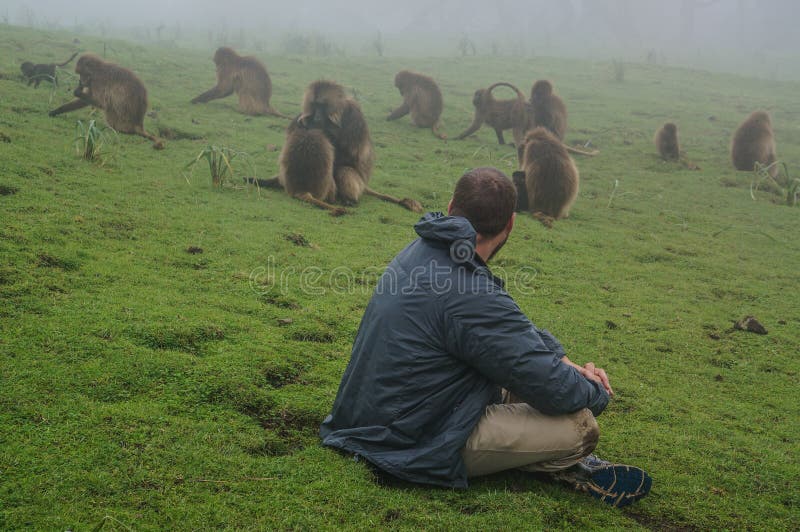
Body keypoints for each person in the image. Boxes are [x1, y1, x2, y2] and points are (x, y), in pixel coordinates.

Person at [319, 167, 651, 507]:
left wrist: (562, 361)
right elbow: (557, 391)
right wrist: (595, 390)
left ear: (451, 207)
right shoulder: (470, 290)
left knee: (529, 383)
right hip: (409, 442)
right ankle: (555, 464)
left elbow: (504, 330)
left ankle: (535, 457)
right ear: (510, 224)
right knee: (579, 425)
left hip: (370, 416)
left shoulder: (422, 250)